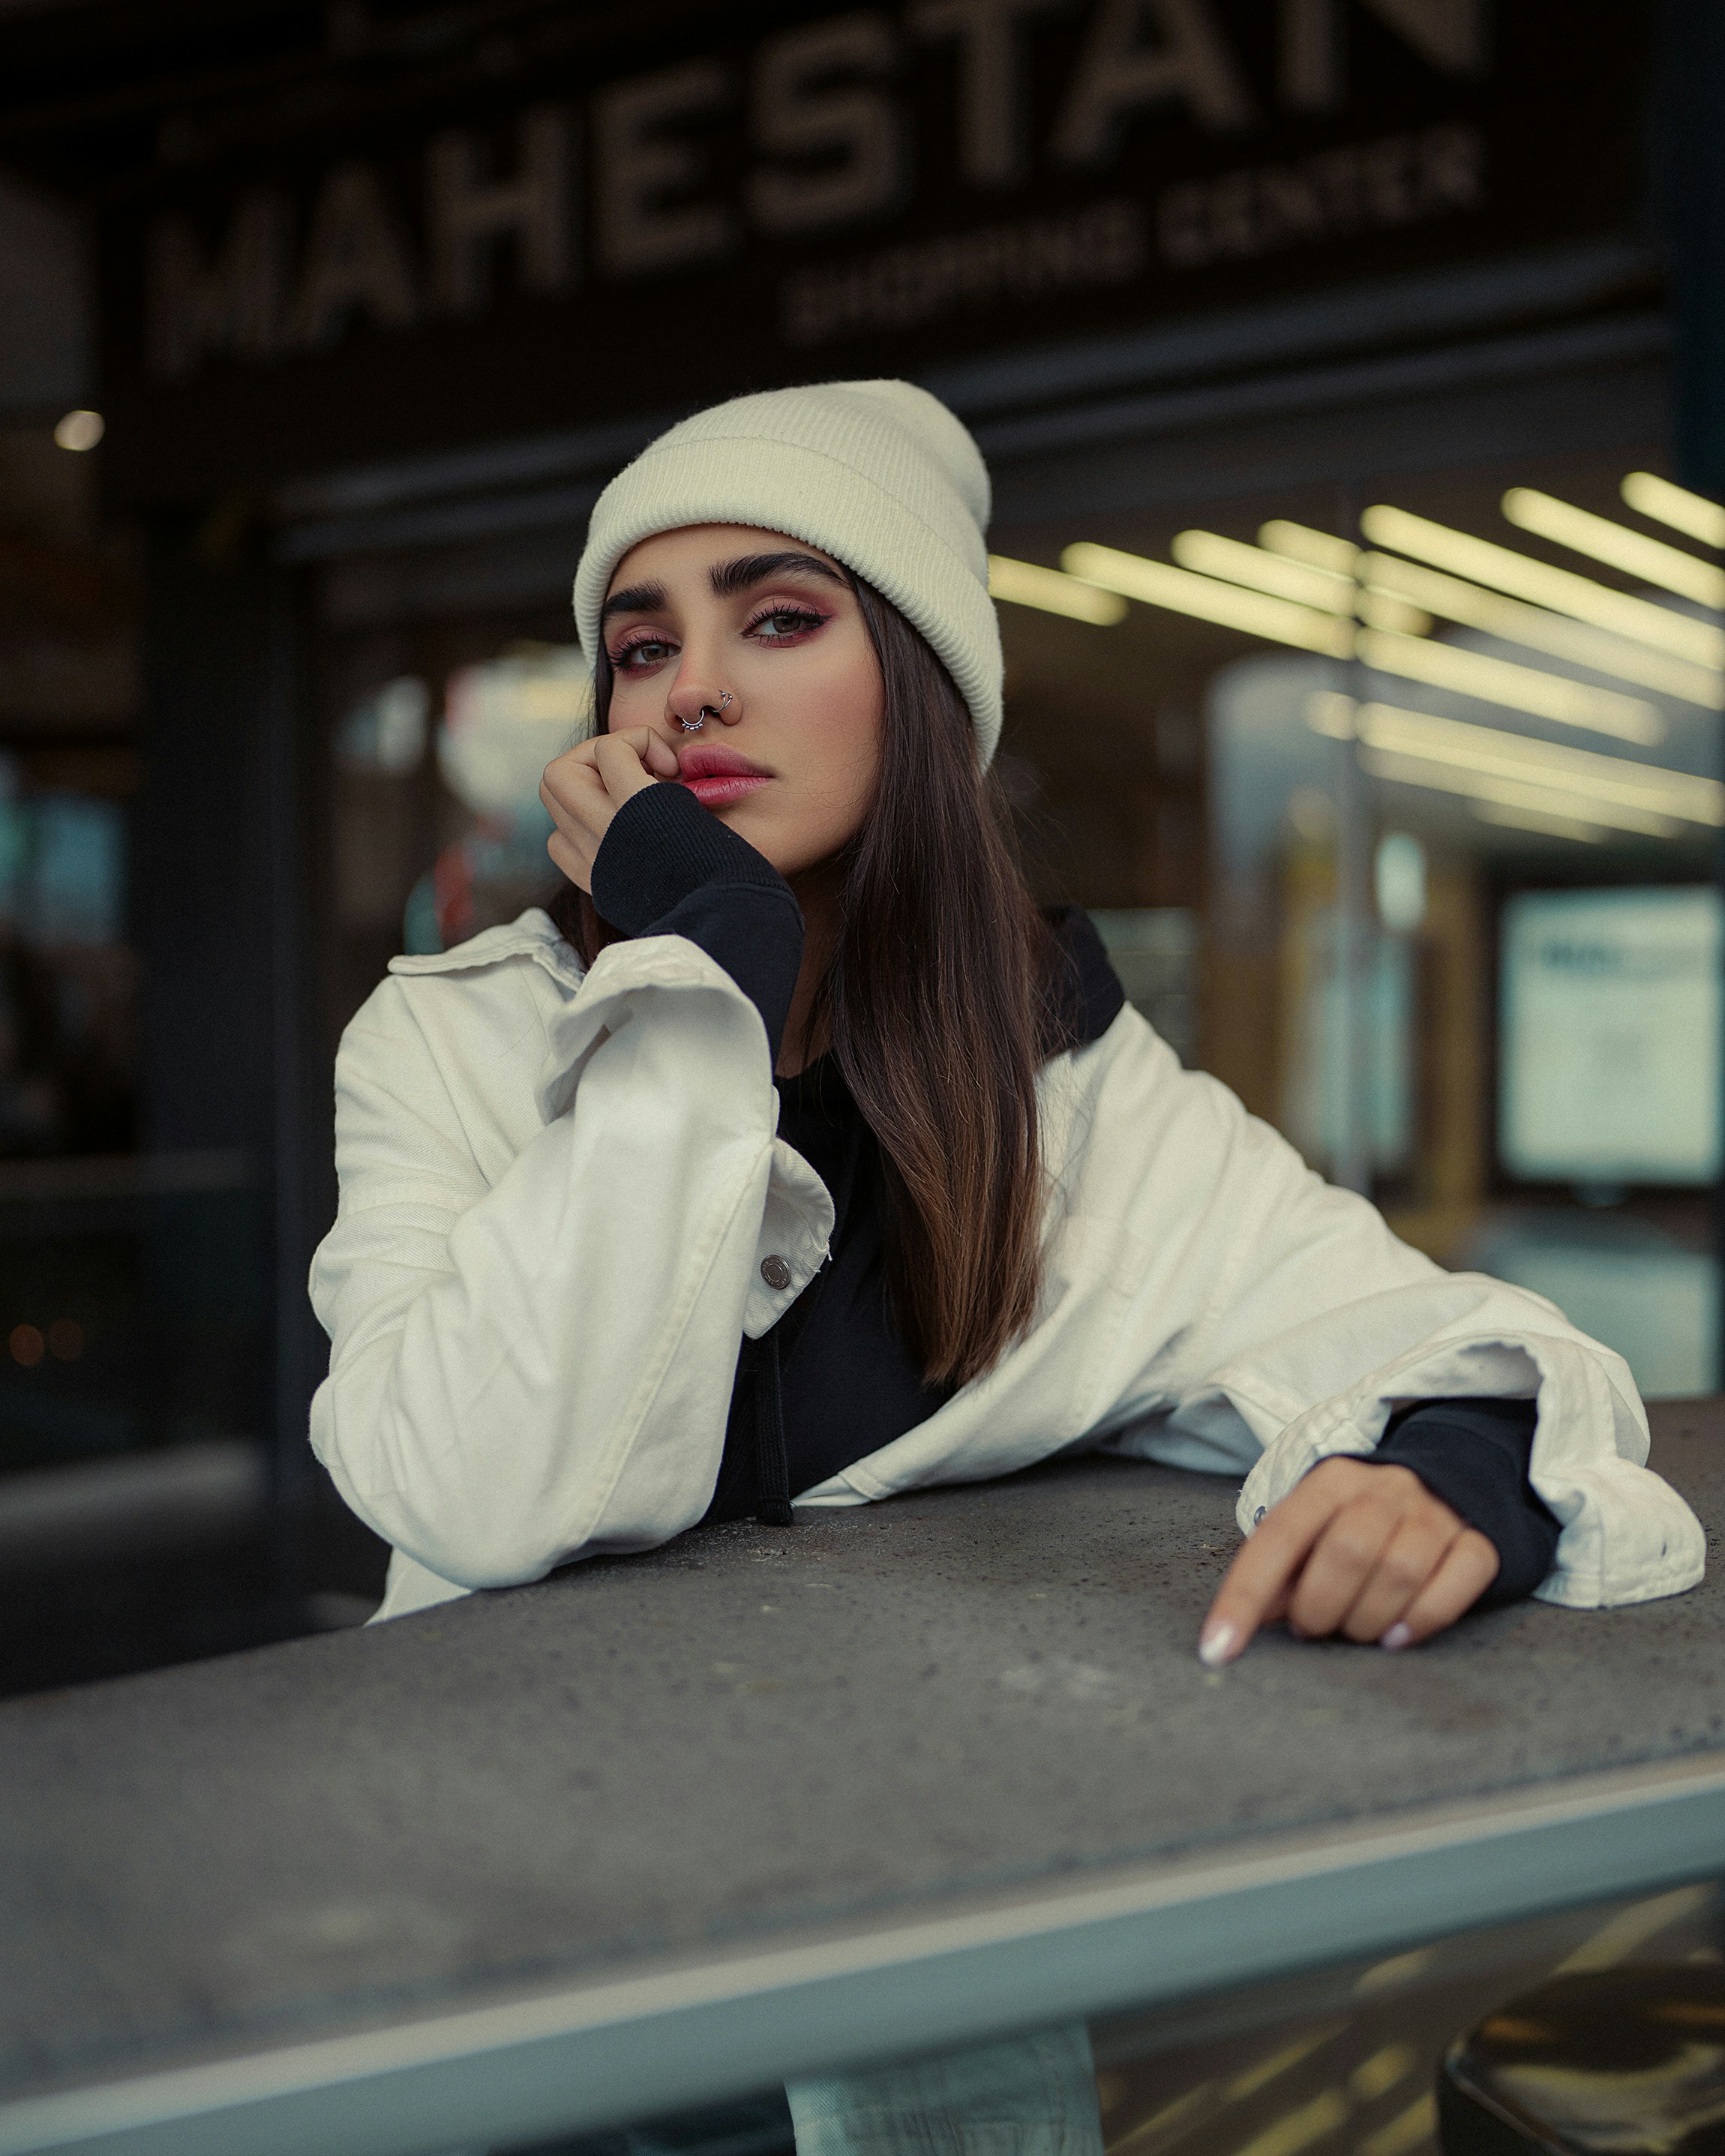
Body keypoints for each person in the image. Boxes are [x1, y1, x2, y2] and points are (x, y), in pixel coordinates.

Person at [308, 379, 1702, 2154]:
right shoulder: (449, 1048)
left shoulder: (1066, 1090)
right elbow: (484, 1491)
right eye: (641, 647)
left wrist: (1444, 1470)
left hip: (907, 1999)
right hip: (503, 1983)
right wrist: (697, 966)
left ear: (927, 688)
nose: (694, 687)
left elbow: (1431, 1331)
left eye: (781, 617)